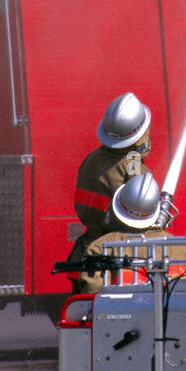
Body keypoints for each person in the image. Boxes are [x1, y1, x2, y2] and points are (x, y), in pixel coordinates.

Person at [65, 92, 153, 289]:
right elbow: (140, 209)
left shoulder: (92, 158)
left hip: (87, 250)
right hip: (117, 258)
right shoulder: (132, 164)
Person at [76, 173, 186, 293]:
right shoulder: (176, 245)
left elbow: (93, 292)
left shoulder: (101, 247)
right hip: (171, 311)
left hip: (120, 311)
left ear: (117, 204)